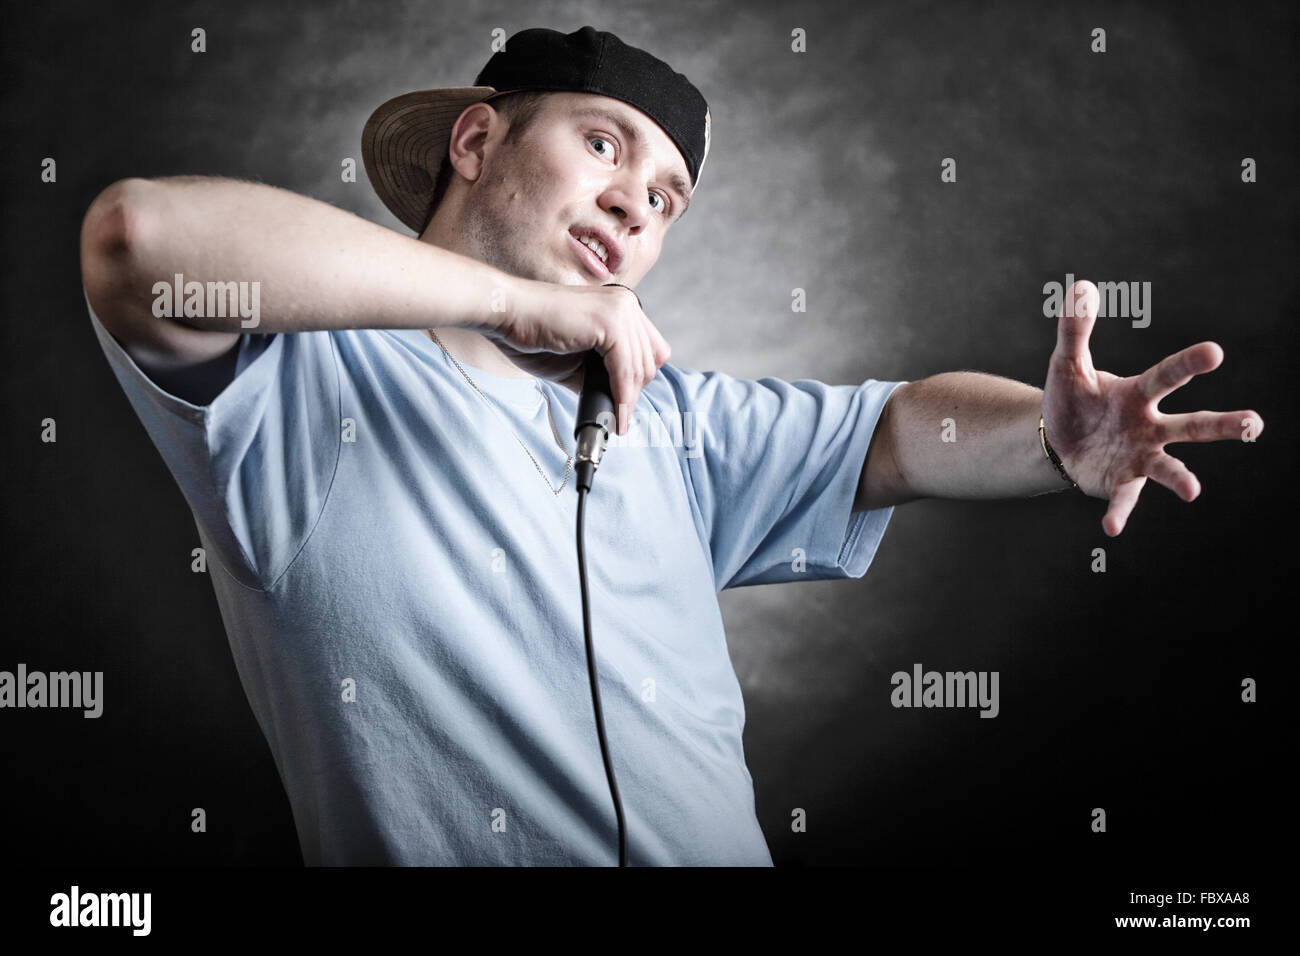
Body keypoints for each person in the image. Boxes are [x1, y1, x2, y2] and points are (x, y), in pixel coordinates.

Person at [78, 26, 1262, 866]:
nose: (639, 202)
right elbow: (139, 238)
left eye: (668, 194)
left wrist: (1052, 438)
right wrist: (515, 306)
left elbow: (900, 428)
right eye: (603, 144)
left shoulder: (677, 424)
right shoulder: (300, 388)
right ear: (476, 141)